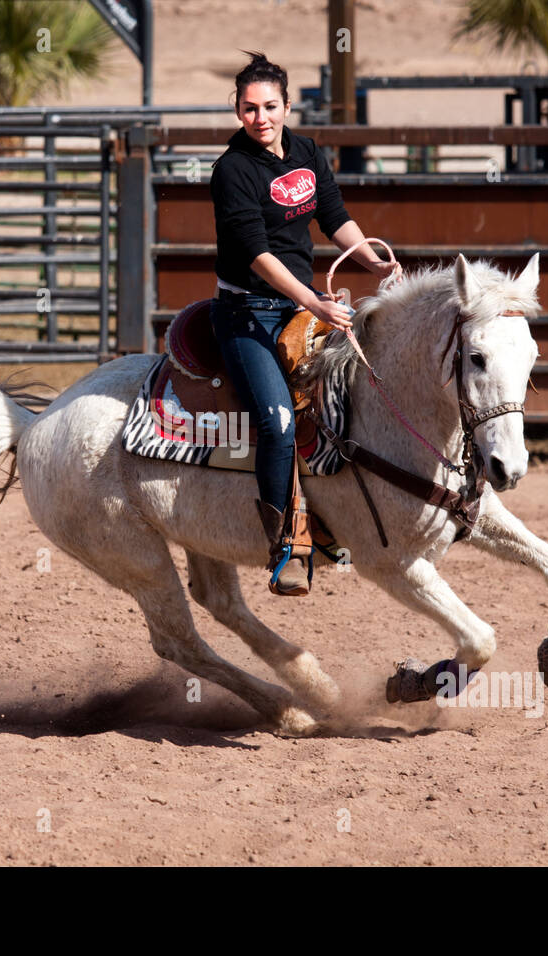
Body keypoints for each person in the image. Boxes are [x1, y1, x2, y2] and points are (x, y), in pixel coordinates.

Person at [210, 51, 397, 596]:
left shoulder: (309, 154)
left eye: (270, 106)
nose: (260, 117)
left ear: (288, 106)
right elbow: (256, 254)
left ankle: (341, 524)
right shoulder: (232, 171)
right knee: (278, 424)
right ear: (238, 112)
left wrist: (372, 260)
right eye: (249, 109)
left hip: (299, 307)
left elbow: (335, 217)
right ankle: (286, 549)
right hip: (247, 313)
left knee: (350, 403)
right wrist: (314, 303)